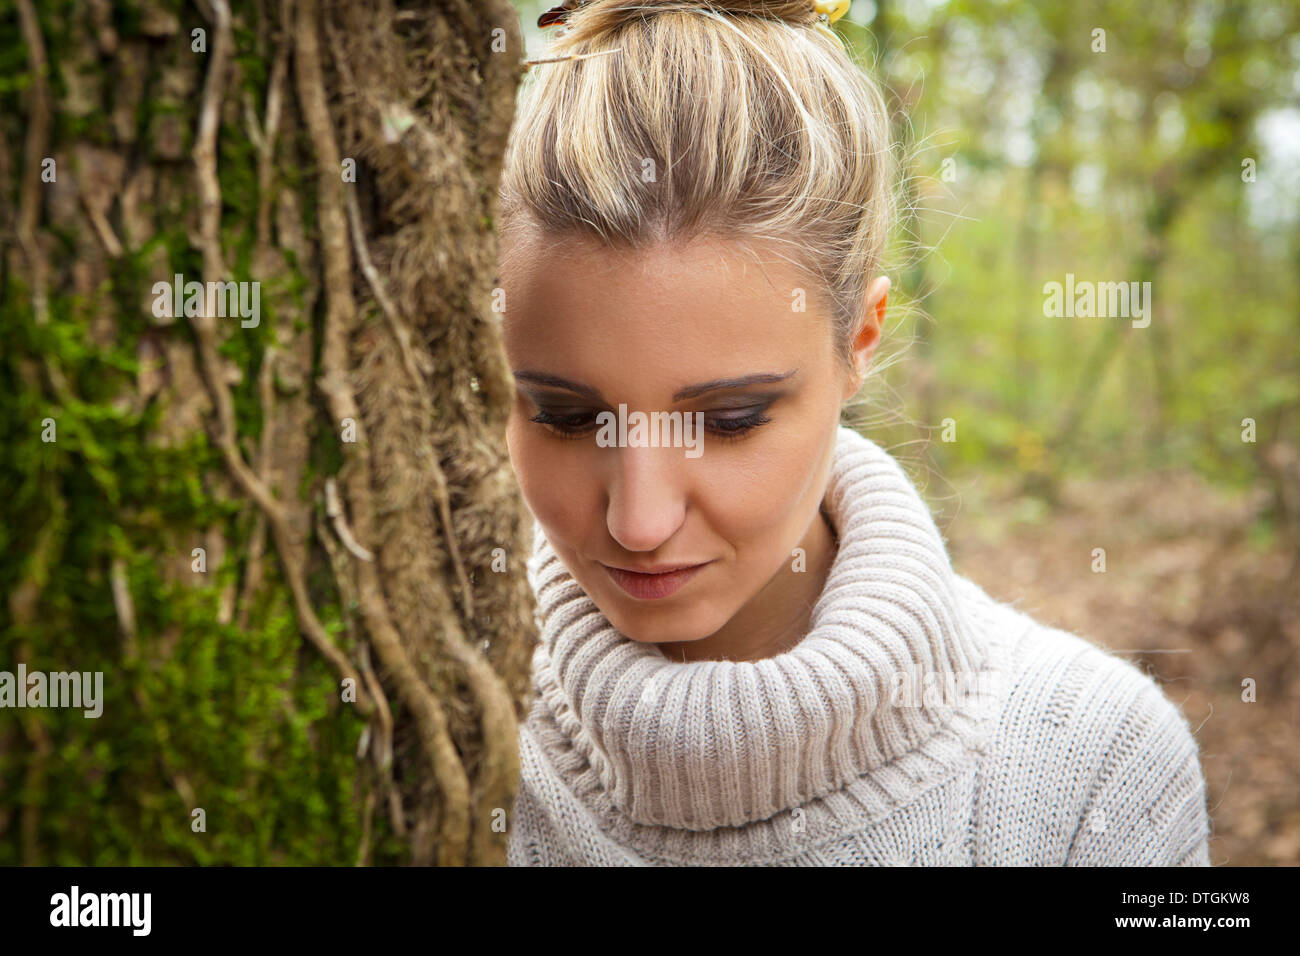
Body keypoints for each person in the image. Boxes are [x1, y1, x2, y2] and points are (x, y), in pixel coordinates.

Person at [494, 0, 1212, 866]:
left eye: (729, 422)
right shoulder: (410, 726)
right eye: (568, 417)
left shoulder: (1096, 769)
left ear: (859, 342)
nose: (638, 523)